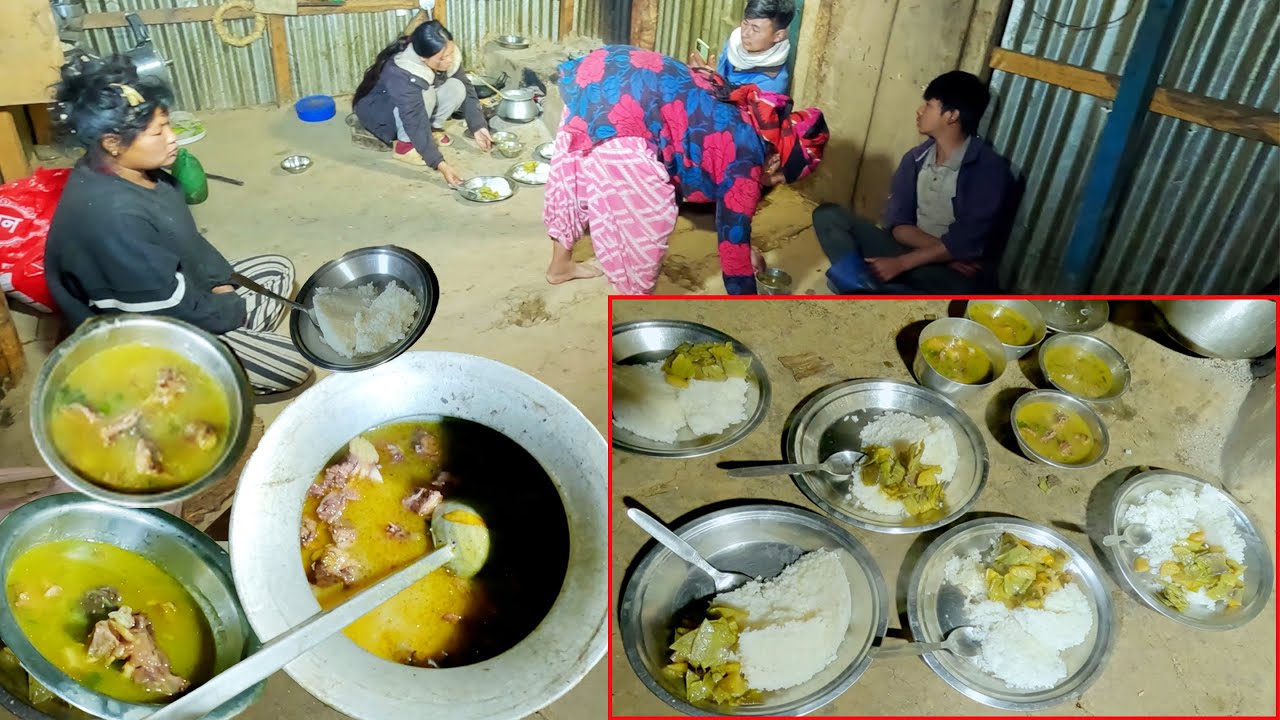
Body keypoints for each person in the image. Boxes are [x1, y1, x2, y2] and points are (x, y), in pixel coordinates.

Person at [43, 56, 312, 396]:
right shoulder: (114, 219)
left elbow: (189, 242)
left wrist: (220, 284)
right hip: (144, 334)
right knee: (293, 365)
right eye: (158, 132)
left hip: (174, 290)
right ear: (112, 143)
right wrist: (228, 309)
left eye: (168, 126)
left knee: (278, 269)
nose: (173, 139)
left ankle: (232, 345)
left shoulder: (139, 173)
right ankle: (171, 383)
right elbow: (167, 311)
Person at [543, 46, 828, 295]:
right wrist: (749, 305)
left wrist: (744, 244)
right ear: (776, 161)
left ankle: (560, 266)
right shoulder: (748, 160)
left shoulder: (747, 108)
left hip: (599, 75)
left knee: (572, 178)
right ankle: (633, 301)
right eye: (778, 179)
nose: (771, 184)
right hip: (625, 115)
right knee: (647, 223)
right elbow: (733, 255)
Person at [814, 71, 1014, 294]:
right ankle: (874, 287)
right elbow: (898, 224)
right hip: (917, 255)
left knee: (962, 289)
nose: (919, 111)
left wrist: (904, 263)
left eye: (929, 105)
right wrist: (948, 253)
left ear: (952, 115)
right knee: (828, 215)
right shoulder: (915, 158)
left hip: (950, 274)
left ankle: (867, 287)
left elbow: (968, 241)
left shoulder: (987, 169)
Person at [352, 21, 493, 186]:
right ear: (422, 58)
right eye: (442, 58)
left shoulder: (444, 51)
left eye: (450, 53)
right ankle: (405, 146)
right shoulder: (402, 71)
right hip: (381, 114)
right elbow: (413, 119)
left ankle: (430, 129)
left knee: (457, 87)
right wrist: (439, 164)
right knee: (426, 93)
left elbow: (467, 88)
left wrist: (478, 126)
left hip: (412, 107)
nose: (449, 60)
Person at [689, 0, 795, 96]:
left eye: (755, 29)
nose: (745, 34)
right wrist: (705, 76)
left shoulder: (771, 83)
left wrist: (711, 83)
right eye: (745, 23)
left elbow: (736, 111)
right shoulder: (734, 44)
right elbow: (720, 76)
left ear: (778, 36)